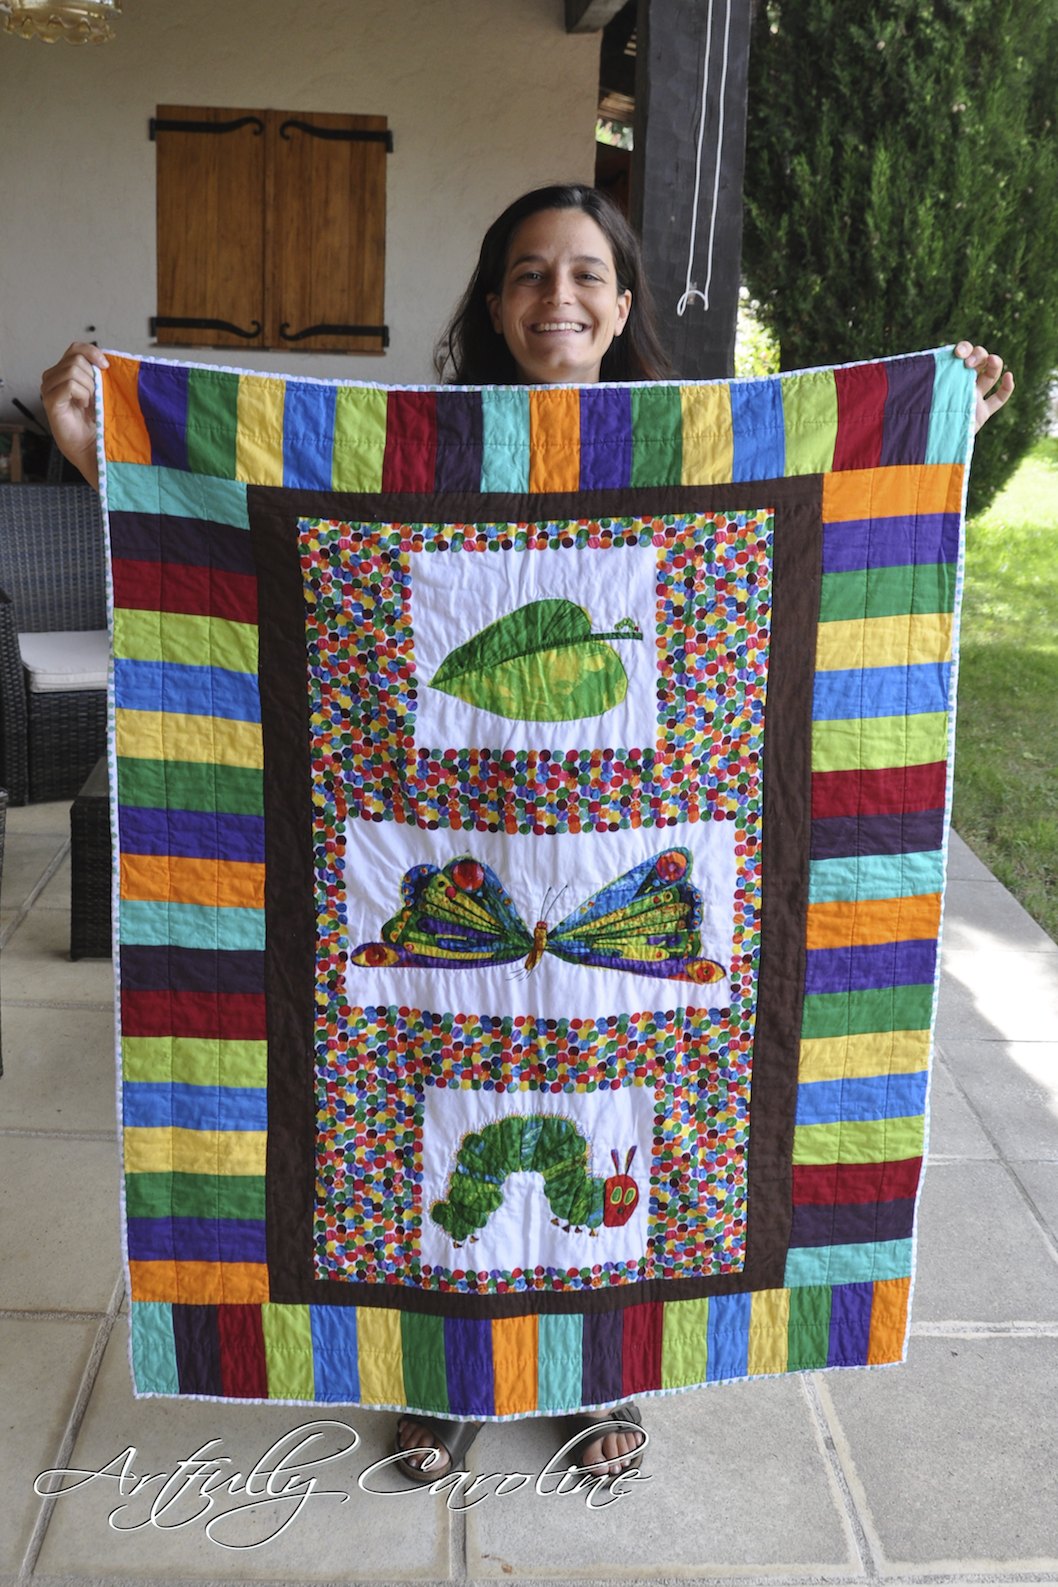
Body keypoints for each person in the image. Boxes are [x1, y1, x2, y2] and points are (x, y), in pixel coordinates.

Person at [40, 183, 1015, 1487]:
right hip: (446, 885)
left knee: (626, 1117)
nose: (556, 296)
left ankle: (596, 1373)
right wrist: (96, 446)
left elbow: (851, 529)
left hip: (620, 898)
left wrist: (939, 425)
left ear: (622, 306)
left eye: (585, 274)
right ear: (492, 306)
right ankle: (436, 1383)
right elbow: (226, 535)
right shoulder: (398, 460)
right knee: (412, 1103)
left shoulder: (703, 463)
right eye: (526, 274)